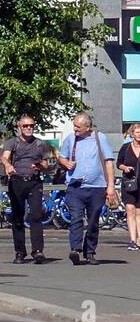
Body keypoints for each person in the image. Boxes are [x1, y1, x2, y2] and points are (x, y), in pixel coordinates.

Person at [58, 112, 119, 266]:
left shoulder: (100, 138)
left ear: (88, 127)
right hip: (75, 186)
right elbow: (61, 157)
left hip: (97, 187)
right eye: (74, 126)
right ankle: (75, 249)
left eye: (78, 127)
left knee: (93, 222)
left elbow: (108, 162)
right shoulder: (70, 139)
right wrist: (65, 163)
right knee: (76, 218)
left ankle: (90, 251)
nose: (75, 129)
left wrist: (110, 186)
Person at [0, 114, 53, 264]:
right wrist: (8, 165)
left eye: (31, 125)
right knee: (17, 217)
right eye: (26, 126)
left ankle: (38, 251)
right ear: (19, 127)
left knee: (36, 215)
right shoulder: (12, 143)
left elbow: (47, 165)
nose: (29, 128)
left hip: (34, 182)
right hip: (17, 181)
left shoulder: (39, 144)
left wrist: (40, 166)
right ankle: (20, 252)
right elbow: (4, 157)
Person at [117, 122, 140, 251]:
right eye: (137, 132)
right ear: (132, 134)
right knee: (130, 210)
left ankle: (139, 239)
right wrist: (125, 168)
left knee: (139, 212)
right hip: (129, 183)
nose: (139, 135)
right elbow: (118, 163)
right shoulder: (126, 148)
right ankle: (132, 240)